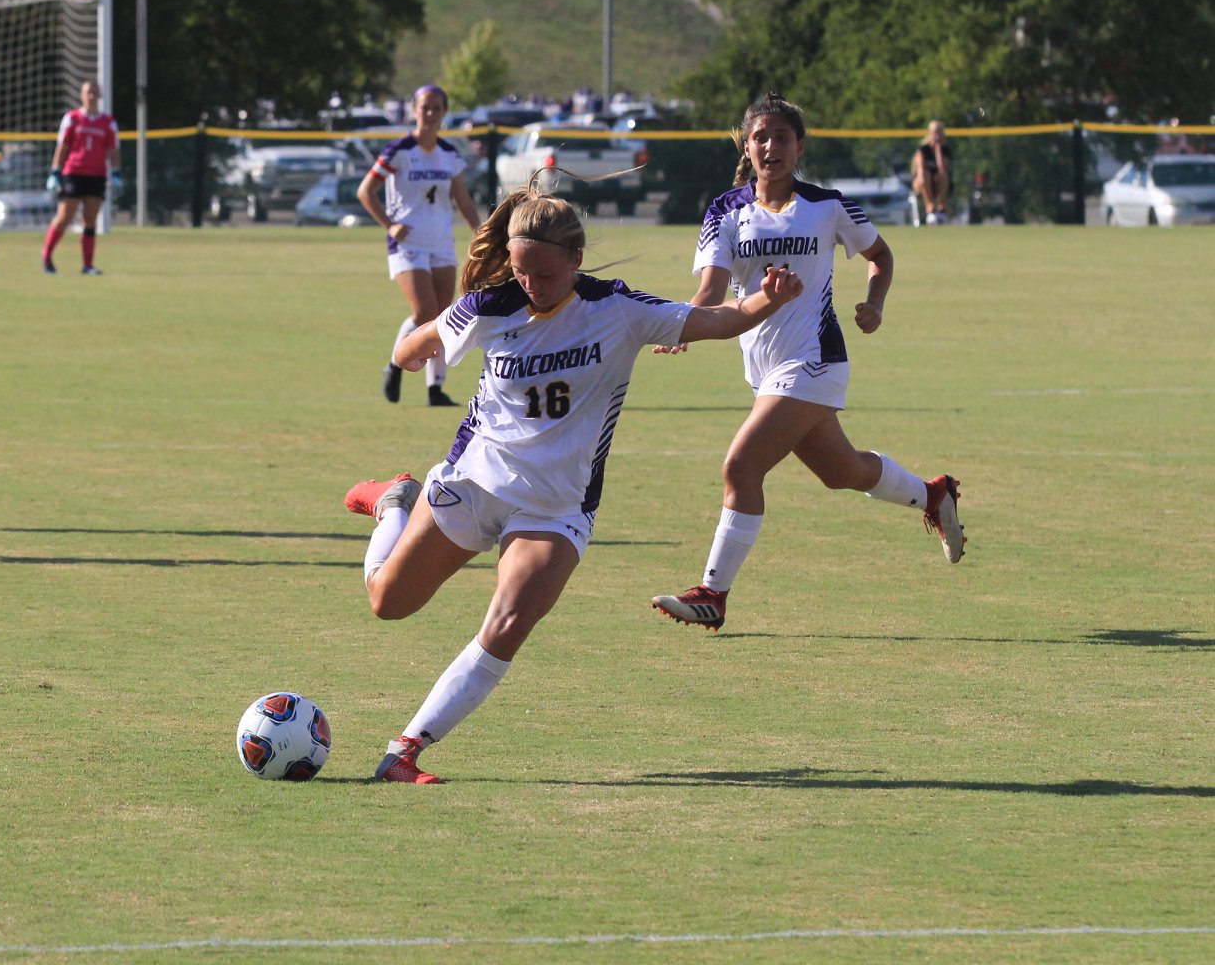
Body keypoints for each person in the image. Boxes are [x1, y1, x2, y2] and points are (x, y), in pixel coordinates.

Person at [340, 174, 805, 783]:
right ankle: (393, 507)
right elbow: (409, 356)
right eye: (520, 272)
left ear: (576, 261)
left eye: (545, 275)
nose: (531, 286)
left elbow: (715, 320)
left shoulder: (618, 310)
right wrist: (430, 336)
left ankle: (403, 752)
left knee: (509, 620)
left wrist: (767, 301)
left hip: (555, 507)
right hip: (474, 482)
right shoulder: (490, 307)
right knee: (387, 603)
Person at [650, 92, 965, 633]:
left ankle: (713, 594)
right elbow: (709, 291)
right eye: (761, 137)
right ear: (745, 146)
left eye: (782, 137)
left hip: (816, 359)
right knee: (842, 472)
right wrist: (684, 327)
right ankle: (932, 493)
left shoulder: (828, 205)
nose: (771, 146)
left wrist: (875, 303)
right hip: (766, 370)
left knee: (740, 467)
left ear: (800, 146)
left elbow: (881, 256)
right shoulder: (725, 211)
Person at [356, 85, 484, 407]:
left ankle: (435, 389)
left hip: (440, 242)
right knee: (423, 311)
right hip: (408, 244)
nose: (430, 114)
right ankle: (396, 363)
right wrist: (390, 225)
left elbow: (464, 202)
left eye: (436, 108)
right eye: (424, 107)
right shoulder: (399, 151)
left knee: (443, 317)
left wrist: (484, 237)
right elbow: (365, 192)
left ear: (444, 113)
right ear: (414, 110)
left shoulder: (449, 154)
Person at [41, 80, 119, 275]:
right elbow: (63, 146)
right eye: (88, 92)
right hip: (73, 174)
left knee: (90, 219)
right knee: (65, 216)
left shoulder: (108, 122)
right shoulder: (72, 118)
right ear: (82, 95)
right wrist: (55, 172)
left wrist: (116, 173)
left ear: (100, 95)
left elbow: (113, 150)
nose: (91, 96)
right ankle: (47, 255)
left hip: (97, 176)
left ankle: (88, 265)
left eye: (94, 92)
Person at [911, 120, 953, 224]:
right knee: (925, 174)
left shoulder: (945, 150)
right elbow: (920, 170)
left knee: (942, 175)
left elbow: (943, 168)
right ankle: (930, 207)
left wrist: (938, 151)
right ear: (930, 133)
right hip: (921, 184)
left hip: (938, 183)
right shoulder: (922, 149)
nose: (937, 135)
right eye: (935, 132)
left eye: (939, 132)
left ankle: (941, 208)